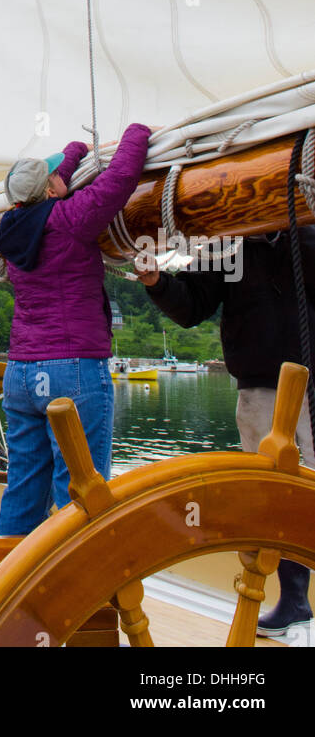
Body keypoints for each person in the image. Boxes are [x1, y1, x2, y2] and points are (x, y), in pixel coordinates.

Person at [137, 228, 315, 642]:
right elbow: (193, 304)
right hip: (259, 388)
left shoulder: (307, 233)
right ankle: (295, 600)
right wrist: (157, 283)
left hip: (313, 380)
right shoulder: (226, 246)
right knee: (270, 495)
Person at [0, 123, 151, 535]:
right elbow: (119, 180)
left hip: (21, 374)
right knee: (82, 492)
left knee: (24, 488)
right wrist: (138, 130)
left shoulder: (9, 232)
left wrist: (76, 149)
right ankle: (79, 595)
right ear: (49, 191)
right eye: (54, 178)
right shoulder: (70, 219)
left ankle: (2, 590)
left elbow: (52, 180)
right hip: (73, 370)